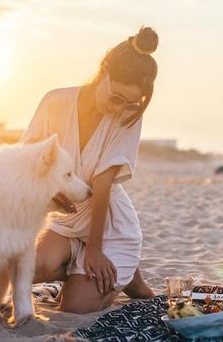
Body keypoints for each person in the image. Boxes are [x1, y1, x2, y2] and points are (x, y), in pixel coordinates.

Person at [22, 27, 158, 313]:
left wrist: (95, 250)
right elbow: (28, 158)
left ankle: (125, 273)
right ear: (104, 71)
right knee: (34, 268)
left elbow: (103, 184)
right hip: (65, 220)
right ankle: (111, 273)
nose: (118, 107)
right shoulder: (55, 102)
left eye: (129, 103)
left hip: (107, 226)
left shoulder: (126, 117)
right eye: (116, 97)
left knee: (73, 308)